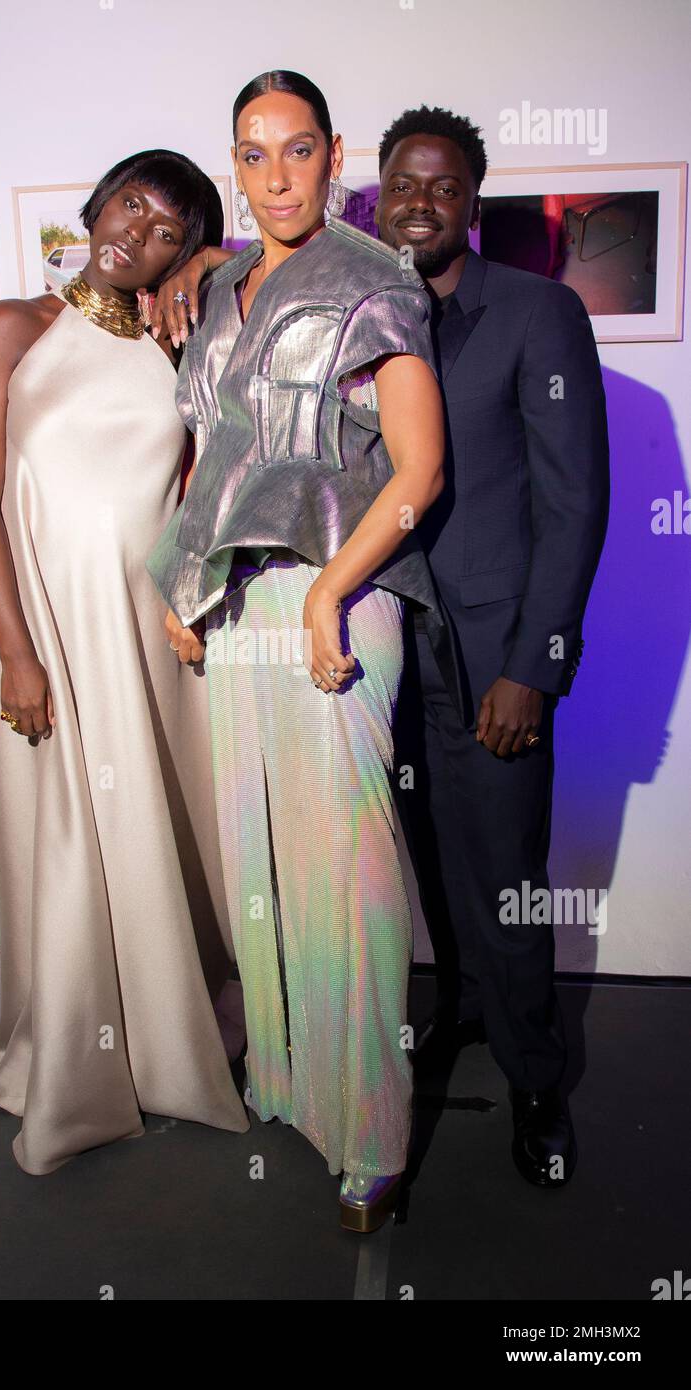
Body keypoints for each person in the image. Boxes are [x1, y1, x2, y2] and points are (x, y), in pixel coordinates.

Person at [146, 71, 453, 1232]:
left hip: (338, 596)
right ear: (233, 164)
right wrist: (182, 575)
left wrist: (329, 588)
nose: (275, 175)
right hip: (233, 606)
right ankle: (288, 1085)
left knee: (352, 872)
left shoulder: (378, 280)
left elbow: (418, 471)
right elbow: (205, 454)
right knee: (261, 858)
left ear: (333, 157)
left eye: (297, 151)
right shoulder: (218, 288)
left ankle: (370, 1133)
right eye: (252, 154)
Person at [0, 150, 249, 1176]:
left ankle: (173, 1041)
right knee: (72, 838)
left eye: (170, 228)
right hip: (47, 629)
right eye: (132, 202)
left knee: (165, 830)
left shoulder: (181, 342)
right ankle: (71, 1069)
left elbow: (191, 490)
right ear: (94, 202)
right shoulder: (13, 326)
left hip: (154, 635)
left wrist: (196, 267)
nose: (140, 231)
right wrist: (12, 650)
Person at [375, 106, 610, 1187]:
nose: (418, 202)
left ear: (472, 199)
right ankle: (461, 1008)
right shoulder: (356, 308)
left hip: (488, 659)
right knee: (423, 866)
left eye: (442, 185)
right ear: (374, 192)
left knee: (507, 879)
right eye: (401, 184)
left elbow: (573, 506)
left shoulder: (537, 312)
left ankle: (533, 1078)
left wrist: (531, 665)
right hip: (381, 651)